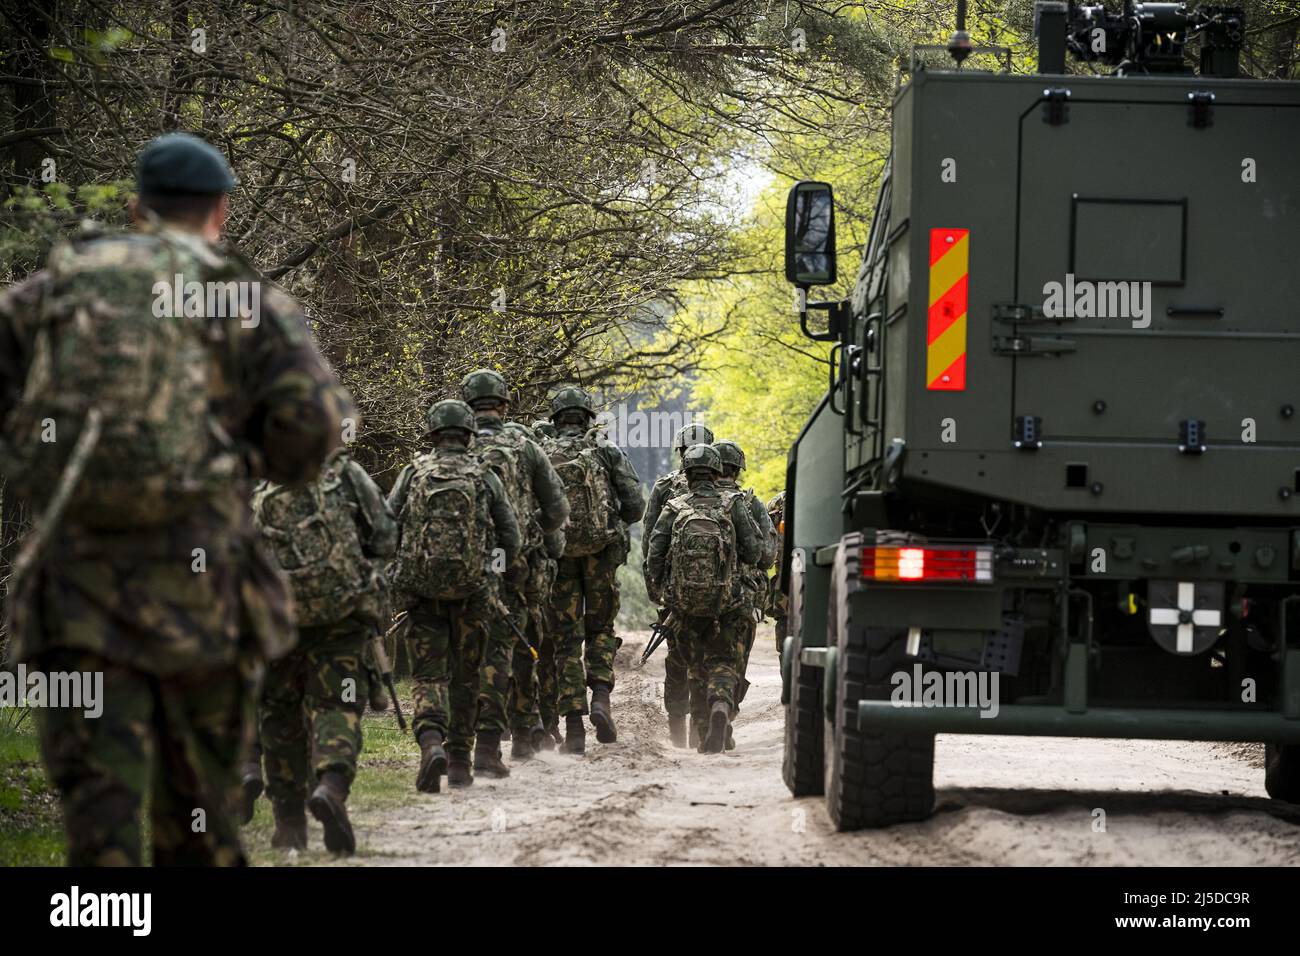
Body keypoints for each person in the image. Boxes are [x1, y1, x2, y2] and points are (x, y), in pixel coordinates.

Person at [0, 131, 351, 865]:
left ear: (137, 209)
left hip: (76, 600)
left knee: (99, 830)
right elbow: (311, 430)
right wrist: (236, 460)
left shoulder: (55, 292)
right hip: (205, 603)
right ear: (220, 211)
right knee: (200, 823)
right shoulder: (242, 300)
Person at [251, 448, 396, 854]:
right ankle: (331, 787)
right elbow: (385, 534)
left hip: (278, 619)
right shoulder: (344, 474)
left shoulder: (257, 476)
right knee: (337, 704)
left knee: (278, 714)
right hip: (342, 619)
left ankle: (289, 824)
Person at [387, 399, 520, 791]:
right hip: (473, 595)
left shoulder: (413, 473)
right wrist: (491, 572)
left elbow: (384, 526)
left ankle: (431, 744)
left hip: (421, 594)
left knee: (429, 674)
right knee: (465, 678)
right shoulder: (484, 476)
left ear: (432, 434)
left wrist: (401, 568)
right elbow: (510, 537)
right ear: (467, 434)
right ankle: (461, 762)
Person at [459, 370, 568, 773]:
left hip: (466, 565)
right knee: (520, 644)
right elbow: (558, 509)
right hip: (517, 564)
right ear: (504, 404)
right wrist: (533, 530)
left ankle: (463, 745)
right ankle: (521, 737)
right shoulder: (526, 446)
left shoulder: (453, 447)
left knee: (468, 651)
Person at [644, 444, 762, 754]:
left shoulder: (674, 506)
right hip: (730, 602)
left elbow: (654, 554)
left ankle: (704, 730)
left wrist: (661, 591)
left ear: (687, 473)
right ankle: (721, 706)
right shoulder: (734, 503)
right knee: (723, 662)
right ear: (716, 470)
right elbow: (755, 552)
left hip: (686, 605)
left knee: (696, 668)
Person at [545, 385, 644, 753]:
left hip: (558, 556)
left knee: (565, 640)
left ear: (556, 417)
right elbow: (635, 507)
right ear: (589, 416)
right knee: (600, 627)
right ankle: (601, 697)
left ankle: (573, 727)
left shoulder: (541, 452)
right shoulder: (605, 450)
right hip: (601, 553)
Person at [641, 423, 713, 747]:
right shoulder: (726, 491)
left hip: (676, 590)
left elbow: (650, 540)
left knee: (678, 657)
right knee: (712, 653)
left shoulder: (665, 487)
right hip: (718, 589)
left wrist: (655, 586)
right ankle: (705, 729)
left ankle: (677, 735)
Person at [711, 440, 776, 747]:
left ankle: (703, 723)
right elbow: (765, 556)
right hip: (740, 598)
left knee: (701, 662)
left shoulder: (687, 501)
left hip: (695, 598)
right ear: (737, 469)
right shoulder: (749, 504)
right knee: (732, 660)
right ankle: (723, 708)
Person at [766, 490, 788, 656]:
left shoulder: (778, 502)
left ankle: (787, 673)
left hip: (787, 579)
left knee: (785, 622)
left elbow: (766, 545)